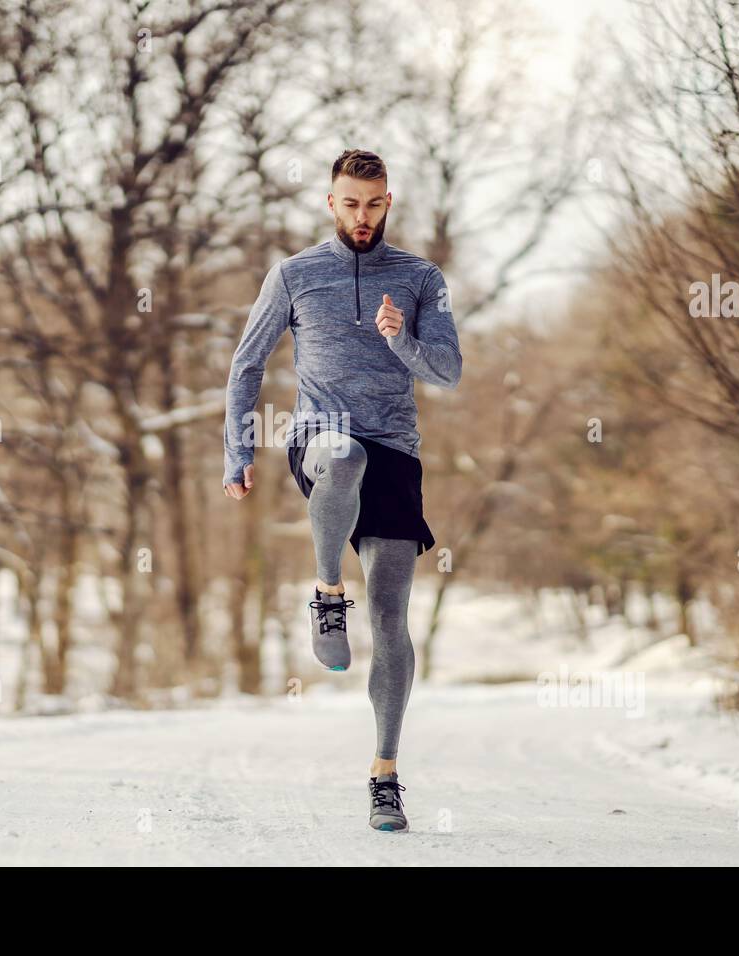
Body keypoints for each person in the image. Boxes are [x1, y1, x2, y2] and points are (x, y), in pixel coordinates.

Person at [221, 149, 462, 832]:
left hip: (397, 450)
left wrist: (403, 339)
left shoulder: (420, 278)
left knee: (391, 619)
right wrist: (238, 451)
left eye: (375, 203)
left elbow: (447, 370)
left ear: (390, 201)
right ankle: (328, 593)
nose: (363, 216)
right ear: (332, 202)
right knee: (345, 456)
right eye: (351, 203)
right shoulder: (295, 274)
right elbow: (245, 366)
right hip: (322, 438)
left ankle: (385, 775)